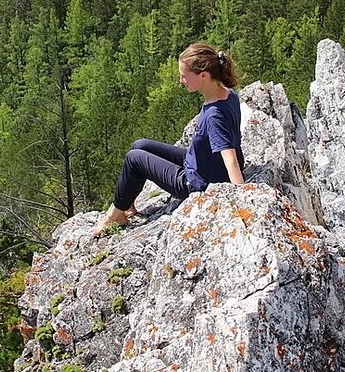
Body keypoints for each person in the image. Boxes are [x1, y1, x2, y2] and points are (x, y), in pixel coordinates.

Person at [91, 42, 245, 237]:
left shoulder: (214, 115)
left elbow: (229, 157)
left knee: (133, 158)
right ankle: (127, 204)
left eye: (184, 75)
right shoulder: (228, 95)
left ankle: (115, 215)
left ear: (204, 76)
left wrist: (242, 201)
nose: (181, 80)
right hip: (203, 164)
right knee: (140, 145)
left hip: (196, 183)